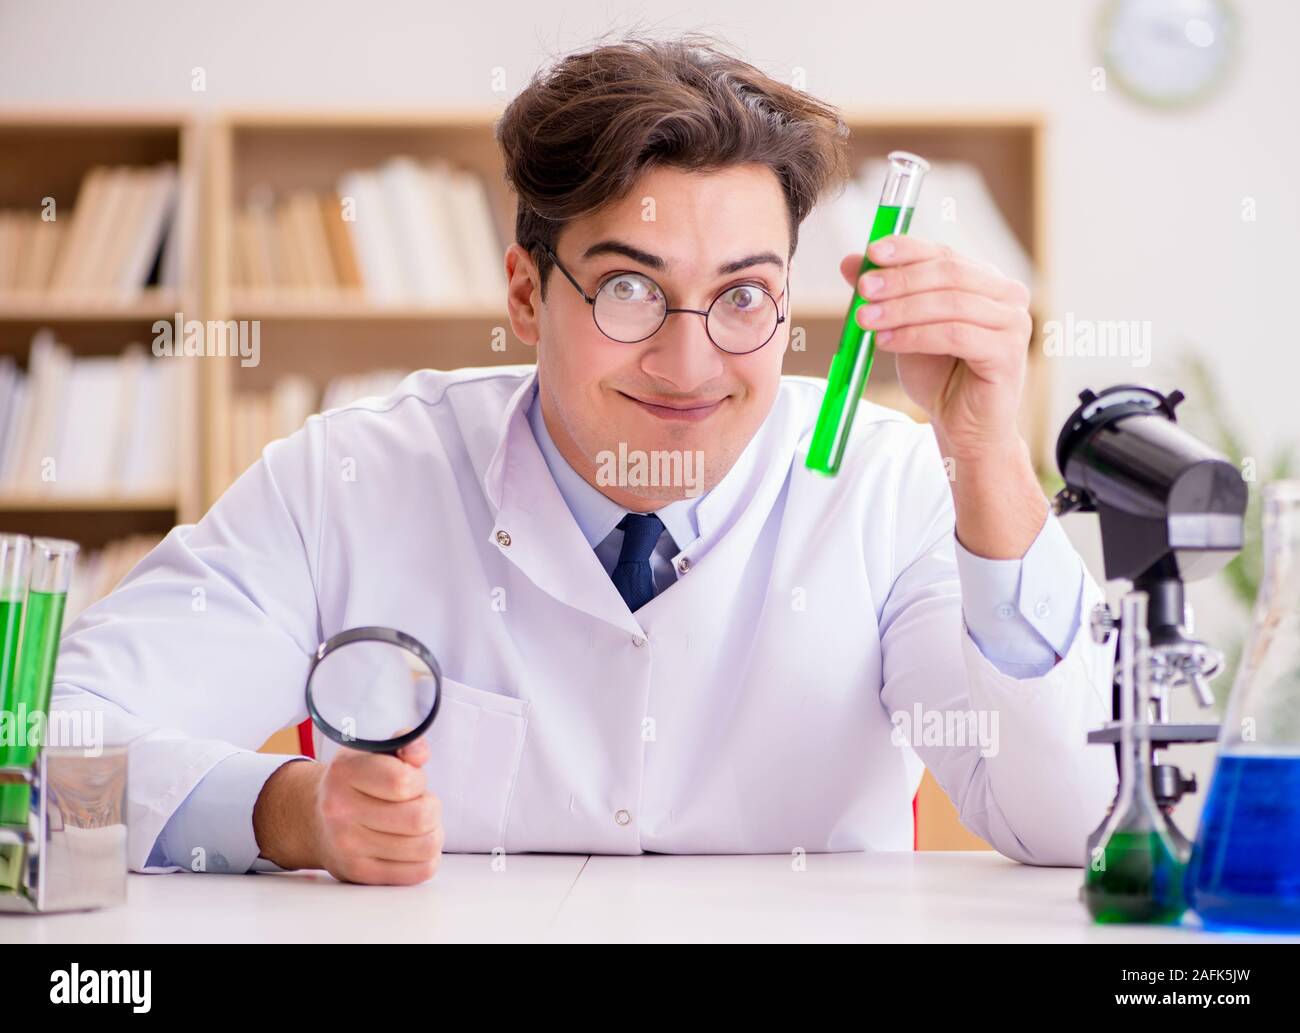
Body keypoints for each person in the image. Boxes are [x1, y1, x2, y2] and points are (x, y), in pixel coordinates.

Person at [53, 35, 1116, 885]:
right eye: (628, 289)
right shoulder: (352, 477)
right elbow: (54, 740)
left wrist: (984, 455)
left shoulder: (889, 485)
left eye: (744, 295)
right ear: (526, 293)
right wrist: (286, 811)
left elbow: (1076, 820)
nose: (689, 358)